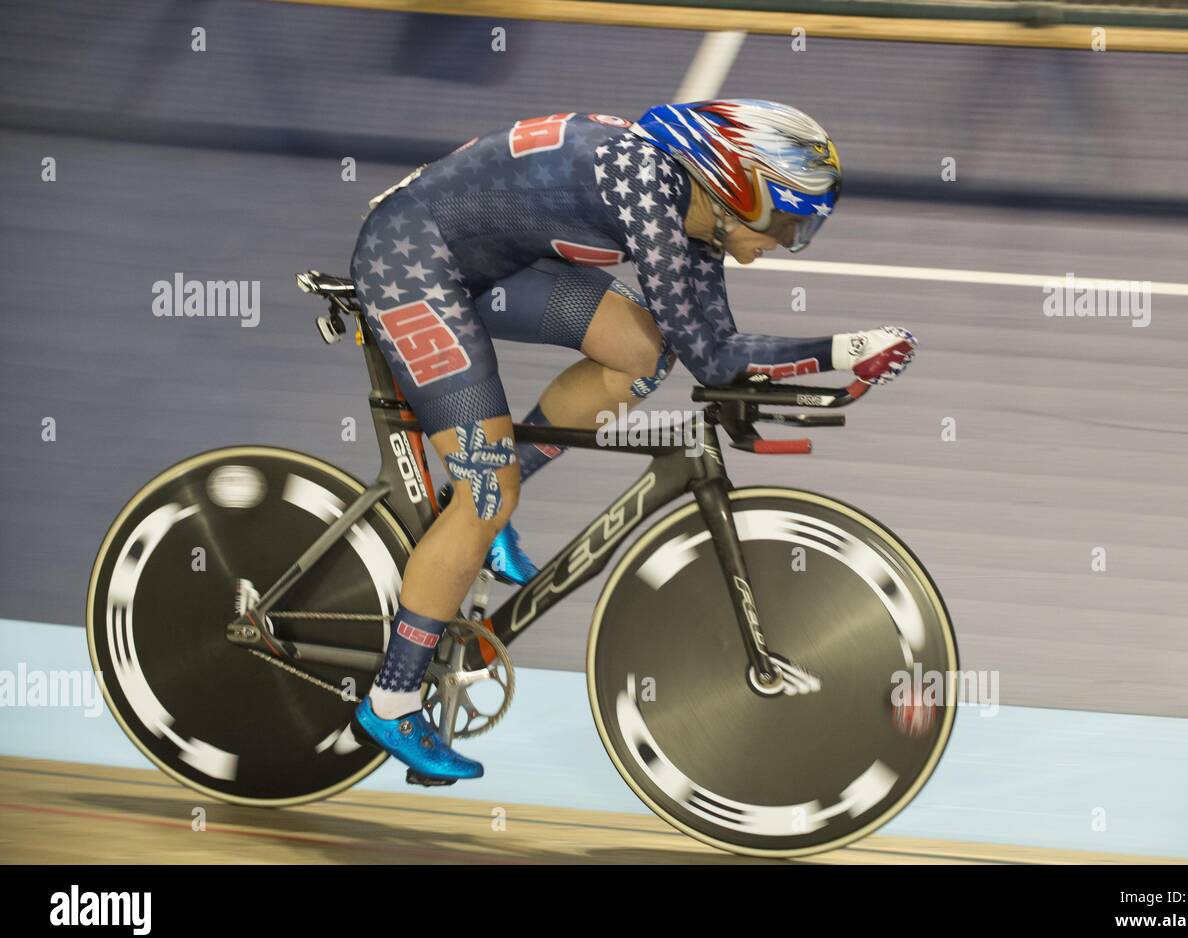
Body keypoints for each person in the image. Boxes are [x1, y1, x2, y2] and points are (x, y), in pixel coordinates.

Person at [347, 99, 917, 782]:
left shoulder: (696, 201)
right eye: (790, 224)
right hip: (413, 263)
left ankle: (476, 518)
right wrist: (842, 349)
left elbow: (713, 347)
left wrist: (811, 373)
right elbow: (714, 356)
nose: (788, 242)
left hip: (485, 259)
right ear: (741, 189)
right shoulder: (647, 187)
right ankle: (394, 697)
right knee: (487, 491)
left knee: (642, 350)